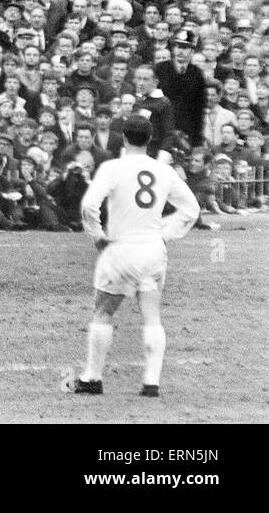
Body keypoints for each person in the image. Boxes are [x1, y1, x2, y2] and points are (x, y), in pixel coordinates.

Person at [73, 114, 200, 398]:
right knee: (152, 316)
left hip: (120, 248)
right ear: (151, 138)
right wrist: (165, 234)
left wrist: (97, 236)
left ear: (124, 137)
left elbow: (88, 207)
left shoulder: (112, 167)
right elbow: (191, 210)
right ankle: (151, 382)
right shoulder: (164, 171)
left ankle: (92, 378)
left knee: (103, 312)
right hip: (152, 249)